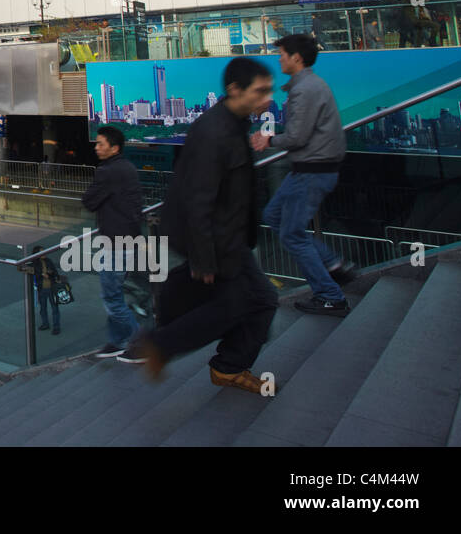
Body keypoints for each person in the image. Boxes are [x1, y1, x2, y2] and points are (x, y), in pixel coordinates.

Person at [118, 57, 279, 396]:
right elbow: (198, 199)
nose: (267, 98)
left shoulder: (233, 123)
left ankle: (225, 364)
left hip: (229, 236)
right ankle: (165, 346)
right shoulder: (215, 131)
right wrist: (204, 256)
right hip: (217, 239)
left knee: (256, 300)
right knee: (242, 303)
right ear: (235, 90)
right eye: (260, 91)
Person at [252, 34, 354, 316]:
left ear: (296, 57)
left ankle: (331, 295)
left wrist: (267, 140)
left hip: (312, 171)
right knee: (273, 215)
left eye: (282, 53)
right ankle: (333, 264)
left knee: (292, 234)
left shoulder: (305, 89)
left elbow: (297, 137)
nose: (279, 58)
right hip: (304, 170)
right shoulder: (306, 86)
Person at [82, 124, 144, 359]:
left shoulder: (107, 172)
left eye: (100, 144)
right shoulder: (127, 167)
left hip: (116, 243)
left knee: (111, 297)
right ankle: (117, 341)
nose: (96, 147)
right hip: (128, 239)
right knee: (114, 292)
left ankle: (141, 343)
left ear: (114, 147)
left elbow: (88, 201)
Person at [32, 250, 63, 334]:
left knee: (54, 308)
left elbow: (55, 273)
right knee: (43, 308)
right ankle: (45, 324)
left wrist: (50, 274)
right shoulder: (35, 263)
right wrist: (42, 274)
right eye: (42, 252)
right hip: (42, 288)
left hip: (51, 288)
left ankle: (56, 326)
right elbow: (33, 273)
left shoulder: (48, 261)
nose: (44, 253)